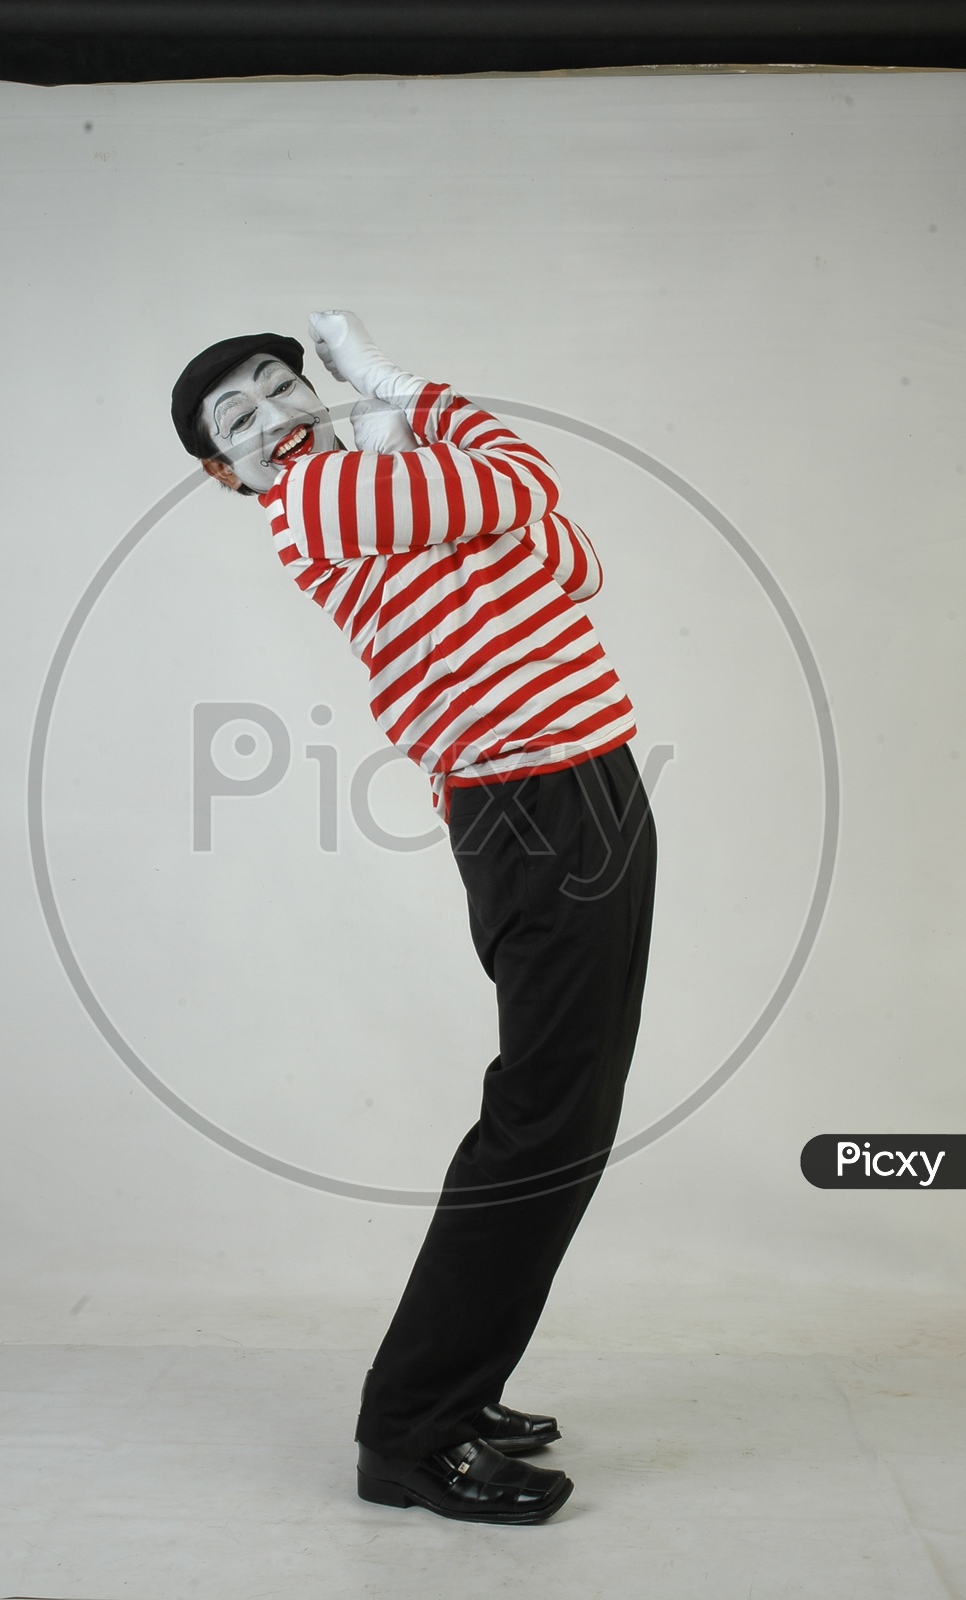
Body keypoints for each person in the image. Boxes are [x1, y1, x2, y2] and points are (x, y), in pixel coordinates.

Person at [171, 312, 657, 1525]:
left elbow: (572, 560)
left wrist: (446, 480)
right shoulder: (319, 501)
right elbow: (526, 484)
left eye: (282, 379)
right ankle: (408, 1432)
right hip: (531, 803)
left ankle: (459, 1382)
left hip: (589, 777)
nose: (276, 404)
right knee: (545, 1116)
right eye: (241, 415)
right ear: (230, 473)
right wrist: (417, 398)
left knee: (569, 1106)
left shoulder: (388, 496)